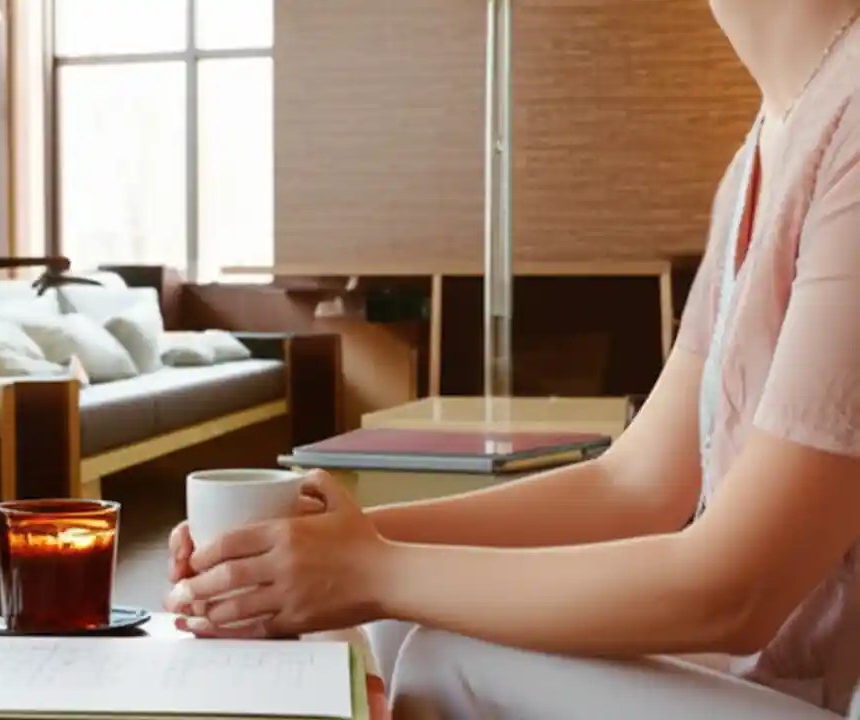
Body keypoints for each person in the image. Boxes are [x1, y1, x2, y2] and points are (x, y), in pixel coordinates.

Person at [164, 1, 860, 717]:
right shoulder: (767, 142)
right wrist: (310, 549)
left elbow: (736, 588)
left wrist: (368, 566)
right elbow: (634, 485)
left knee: (443, 655)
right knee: (399, 621)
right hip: (758, 680)